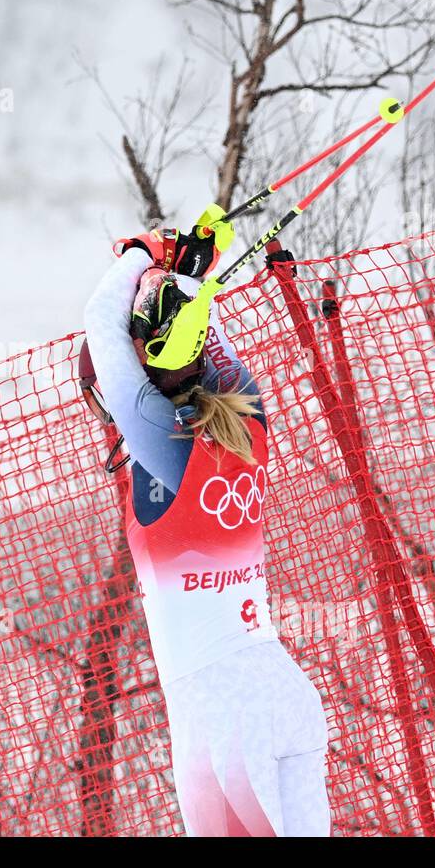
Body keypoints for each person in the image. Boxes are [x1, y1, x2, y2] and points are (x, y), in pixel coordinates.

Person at [82, 225, 331, 837]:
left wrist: (148, 254)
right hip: (279, 688)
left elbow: (100, 320)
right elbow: (198, 332)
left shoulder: (158, 437)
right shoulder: (244, 413)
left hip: (224, 715)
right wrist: (176, 271)